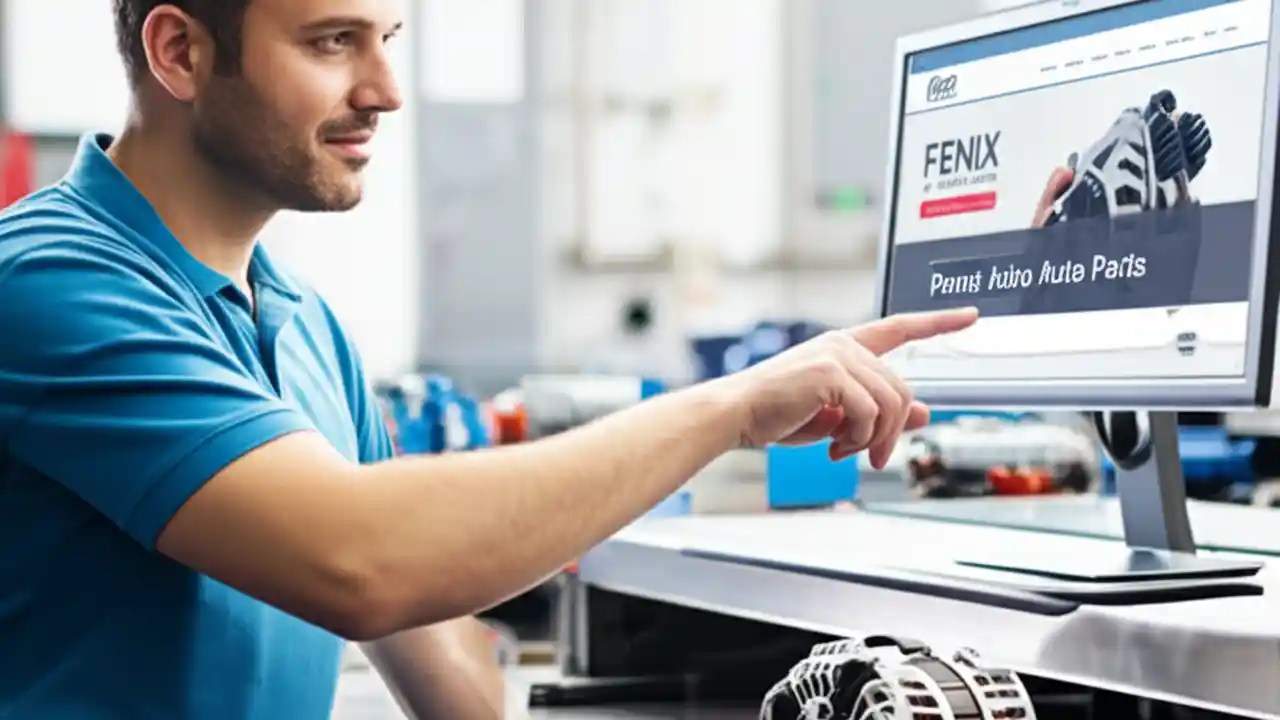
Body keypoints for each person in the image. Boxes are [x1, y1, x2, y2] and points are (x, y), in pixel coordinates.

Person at [0, 0, 978, 718]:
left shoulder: (302, 327)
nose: (382, 91)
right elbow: (365, 564)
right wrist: (729, 409)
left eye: (386, 40)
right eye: (331, 41)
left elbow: (445, 669)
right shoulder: (47, 281)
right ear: (180, 50)